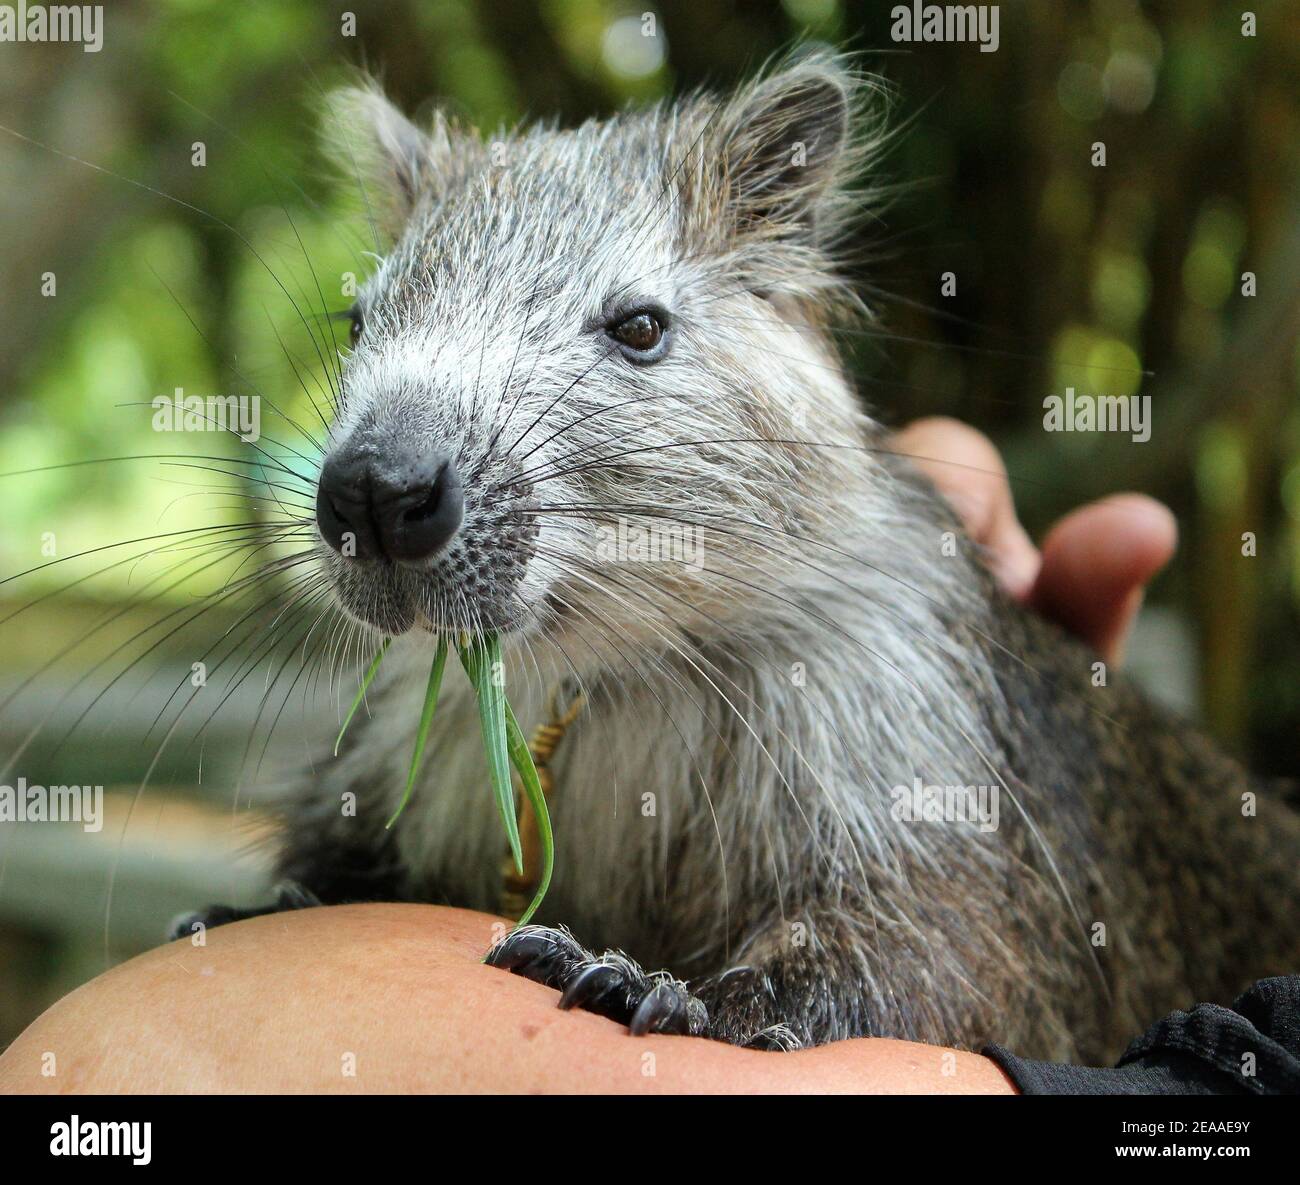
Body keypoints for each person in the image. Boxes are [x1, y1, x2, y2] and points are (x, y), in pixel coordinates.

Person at [0, 418, 1207, 1094]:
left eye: (632, 331)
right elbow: (363, 847)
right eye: (376, 319)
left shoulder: (874, 627)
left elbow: (923, 949)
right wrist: (305, 915)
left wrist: (745, 1020)